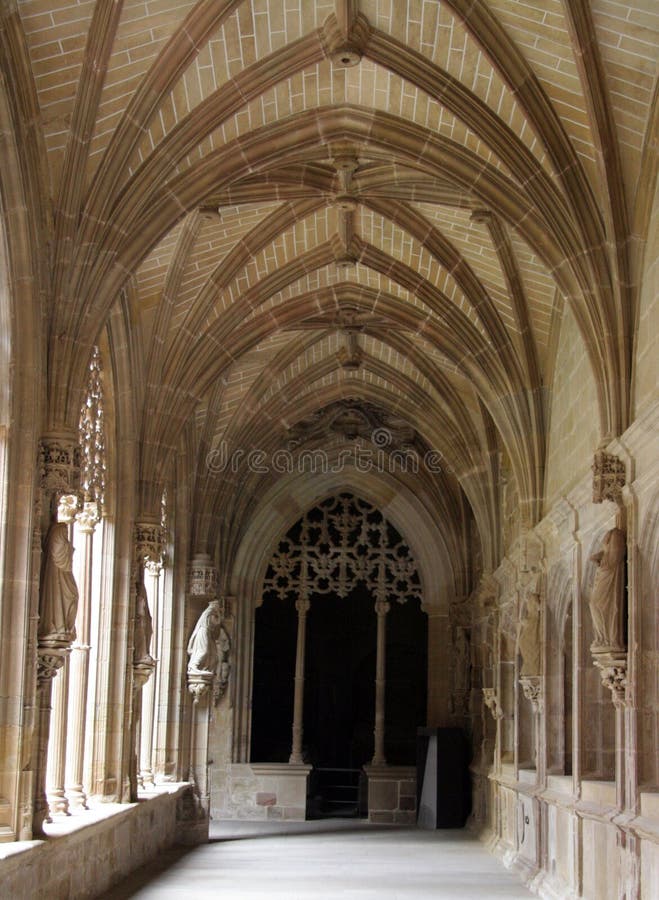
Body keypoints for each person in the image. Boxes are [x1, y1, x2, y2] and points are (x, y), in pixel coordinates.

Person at [39, 521, 79, 643]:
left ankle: (62, 627)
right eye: (65, 536)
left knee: (73, 596)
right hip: (57, 578)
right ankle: (58, 627)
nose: (71, 546)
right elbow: (58, 554)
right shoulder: (56, 548)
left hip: (62, 577)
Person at [589, 523, 626, 650]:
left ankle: (607, 638)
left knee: (596, 605)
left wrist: (602, 560)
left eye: (607, 542)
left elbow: (613, 559)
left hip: (608, 581)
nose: (605, 543)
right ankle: (602, 638)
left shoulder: (616, 536)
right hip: (604, 579)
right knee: (594, 605)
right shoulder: (611, 538)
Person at [187, 601, 221, 674]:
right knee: (203, 651)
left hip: (208, 633)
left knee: (215, 655)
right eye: (218, 606)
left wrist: (218, 613)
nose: (219, 607)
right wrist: (218, 613)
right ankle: (193, 666)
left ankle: (206, 669)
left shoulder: (211, 613)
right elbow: (216, 622)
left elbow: (217, 622)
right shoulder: (208, 612)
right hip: (203, 632)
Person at [518, 583, 542, 676]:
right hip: (528, 658)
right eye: (528, 604)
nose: (528, 606)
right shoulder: (530, 619)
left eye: (529, 603)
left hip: (533, 658)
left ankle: (532, 667)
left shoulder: (535, 621)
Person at [133, 576, 154, 664]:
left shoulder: (140, 599)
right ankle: (141, 654)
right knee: (141, 633)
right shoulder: (138, 599)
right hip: (139, 622)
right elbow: (140, 613)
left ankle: (143, 653)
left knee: (148, 632)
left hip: (141, 621)